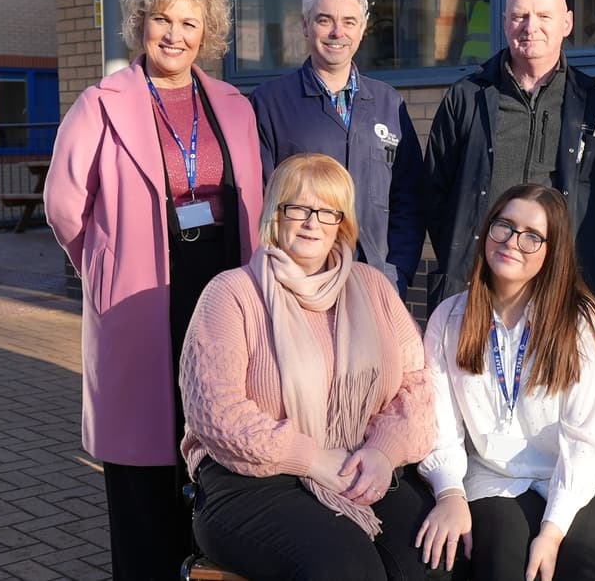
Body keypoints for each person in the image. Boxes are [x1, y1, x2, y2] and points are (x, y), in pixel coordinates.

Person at [42, 0, 263, 579]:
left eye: (189, 23)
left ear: (207, 33)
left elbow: (253, 193)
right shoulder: (100, 103)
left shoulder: (231, 104)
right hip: (139, 291)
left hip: (219, 278)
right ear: (142, 24)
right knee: (143, 449)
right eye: (162, 19)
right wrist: (103, 261)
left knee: (215, 430)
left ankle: (203, 562)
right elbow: (63, 204)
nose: (174, 34)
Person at [180, 153, 437, 580]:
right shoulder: (231, 294)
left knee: (432, 556)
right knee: (348, 571)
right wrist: (311, 458)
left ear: (343, 222)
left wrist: (382, 451)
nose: (311, 222)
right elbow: (216, 413)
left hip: (359, 462)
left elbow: (416, 387)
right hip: (250, 476)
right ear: (275, 214)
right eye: (297, 208)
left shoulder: (372, 287)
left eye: (326, 211)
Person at [416, 184, 595, 581]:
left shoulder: (580, 325)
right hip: (498, 479)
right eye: (504, 226)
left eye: (532, 236)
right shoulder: (449, 319)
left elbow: (583, 445)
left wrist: (553, 531)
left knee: (577, 567)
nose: (513, 242)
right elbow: (441, 426)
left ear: (552, 250)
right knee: (501, 568)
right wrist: (449, 492)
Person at [423, 0, 595, 313]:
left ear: (567, 23)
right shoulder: (467, 97)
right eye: (520, 16)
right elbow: (434, 191)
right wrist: (465, 252)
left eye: (544, 16)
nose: (531, 27)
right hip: (476, 283)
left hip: (562, 287)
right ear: (505, 23)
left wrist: (566, 250)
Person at [252, 0, 425, 297]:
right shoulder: (270, 103)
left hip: (374, 284)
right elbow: (260, 203)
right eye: (324, 20)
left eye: (348, 21)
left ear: (362, 29)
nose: (337, 32)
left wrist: (396, 274)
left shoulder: (389, 104)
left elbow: (409, 201)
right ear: (305, 25)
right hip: (299, 284)